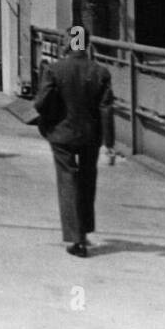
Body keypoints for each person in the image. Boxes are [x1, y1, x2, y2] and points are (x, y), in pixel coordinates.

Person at [32, 37, 115, 257]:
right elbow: (106, 109)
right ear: (87, 45)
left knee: (67, 180)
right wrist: (109, 144)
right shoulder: (101, 71)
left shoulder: (54, 69)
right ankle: (85, 230)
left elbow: (41, 103)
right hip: (90, 136)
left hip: (62, 134)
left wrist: (50, 119)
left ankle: (75, 238)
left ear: (68, 45)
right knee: (87, 180)